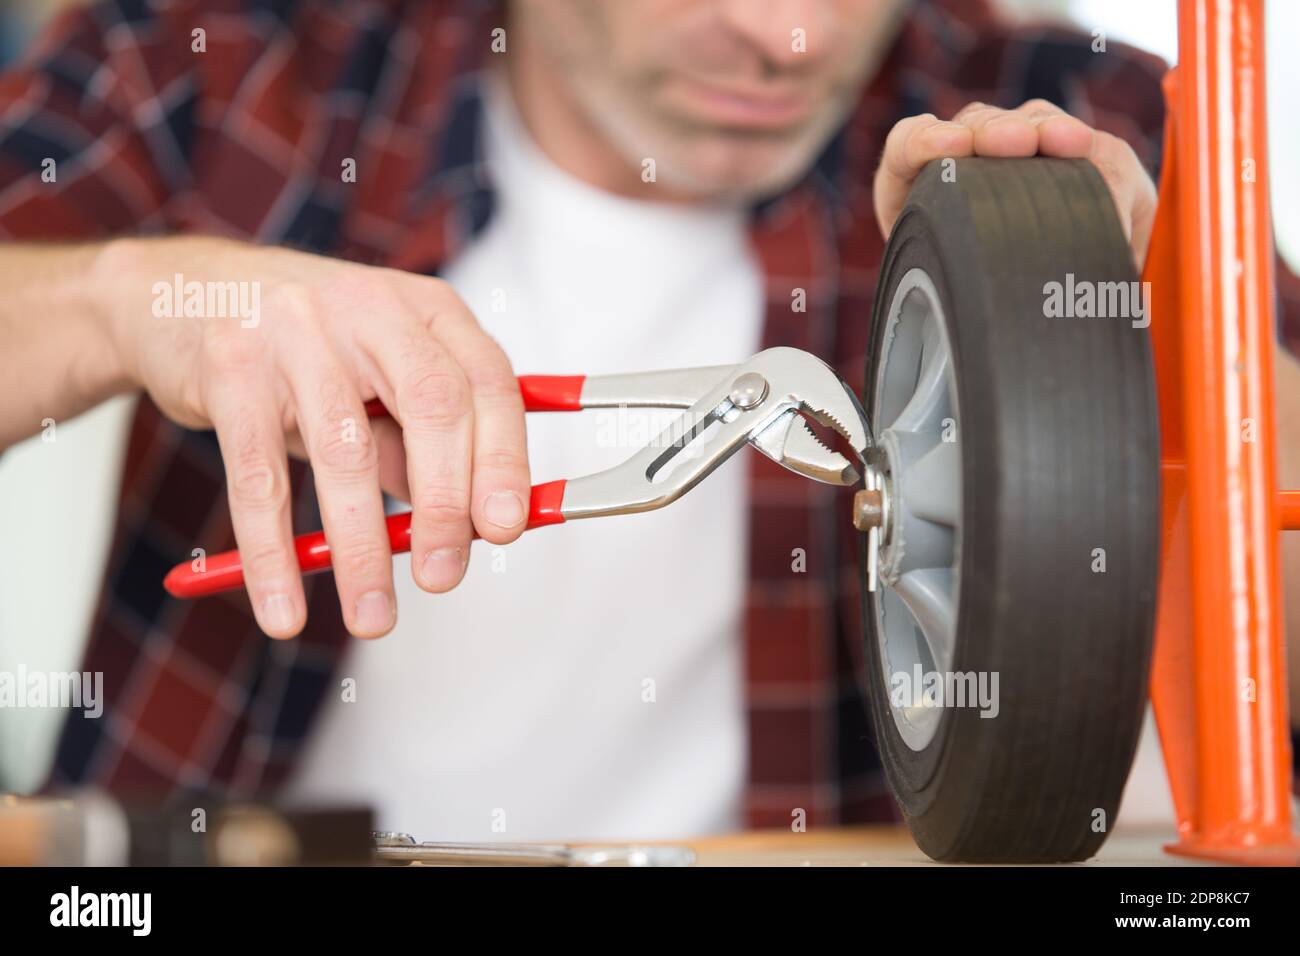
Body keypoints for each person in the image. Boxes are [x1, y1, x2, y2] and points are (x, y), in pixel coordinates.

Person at [0, 0, 1296, 840]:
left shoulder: (1075, 127)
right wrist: (127, 297)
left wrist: (1157, 369)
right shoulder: (220, 55)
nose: (789, 39)